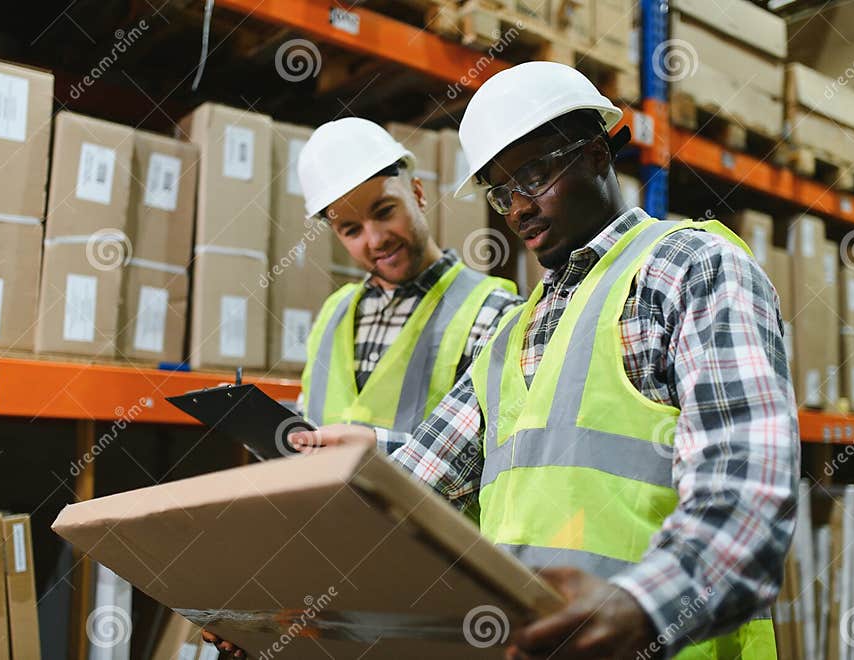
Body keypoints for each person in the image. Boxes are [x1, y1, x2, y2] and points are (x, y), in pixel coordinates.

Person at [292, 62, 799, 658]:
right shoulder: (514, 331)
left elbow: (747, 481)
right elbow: (420, 480)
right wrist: (272, 600)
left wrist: (640, 606)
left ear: (597, 154)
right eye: (502, 192)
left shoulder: (687, 268)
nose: (518, 209)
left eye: (534, 176)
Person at [202, 117, 522, 658]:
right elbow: (300, 461)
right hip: (330, 590)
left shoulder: (493, 310)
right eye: (351, 230)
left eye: (384, 211)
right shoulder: (332, 316)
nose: (375, 241)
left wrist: (376, 457)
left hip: (436, 592)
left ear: (417, 192)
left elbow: (501, 466)